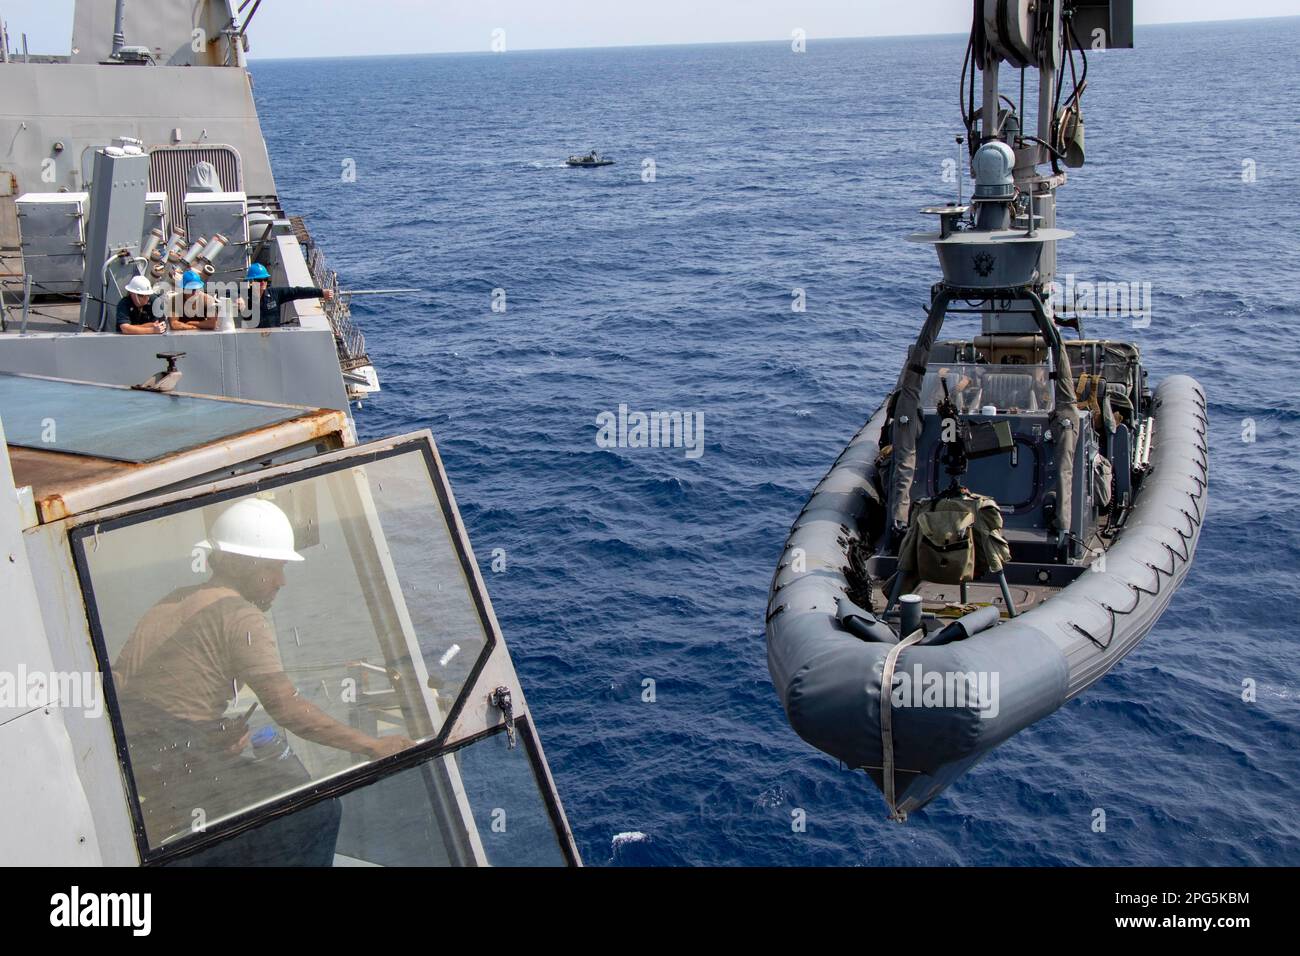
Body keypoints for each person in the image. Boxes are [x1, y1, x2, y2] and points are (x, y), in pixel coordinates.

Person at [113, 498, 415, 860]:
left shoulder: (174, 600)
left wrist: (206, 735)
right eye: (275, 568)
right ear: (245, 564)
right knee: (316, 812)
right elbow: (286, 708)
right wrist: (372, 746)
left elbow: (135, 692)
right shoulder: (241, 617)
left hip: (141, 760)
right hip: (179, 766)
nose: (281, 581)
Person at [244, 262, 334, 328]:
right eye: (260, 280)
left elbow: (297, 292)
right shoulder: (243, 297)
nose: (263, 282)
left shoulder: (275, 294)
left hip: (273, 338)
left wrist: (321, 292)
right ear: (252, 281)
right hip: (252, 340)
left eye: (265, 279)